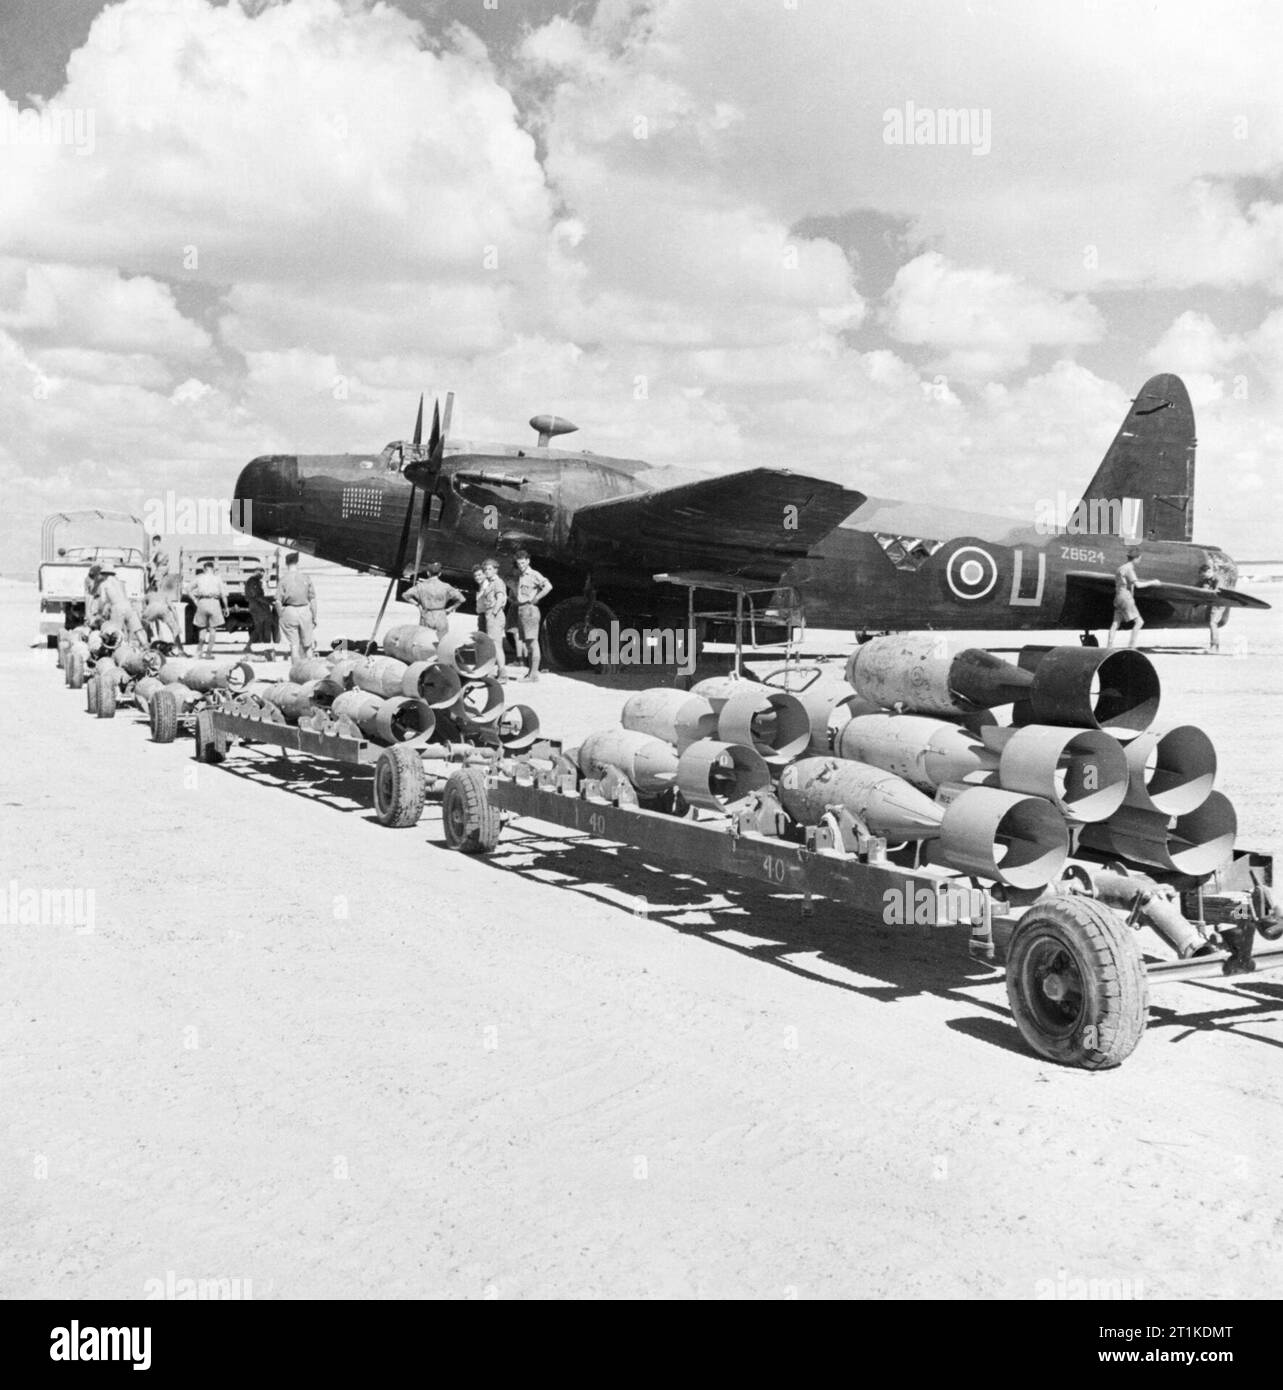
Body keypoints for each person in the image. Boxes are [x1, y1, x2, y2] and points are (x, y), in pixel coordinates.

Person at [1107, 547, 1158, 649]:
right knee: (1139, 622)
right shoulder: (1129, 569)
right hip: (1126, 598)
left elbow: (1126, 584)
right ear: (1136, 558)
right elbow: (1138, 585)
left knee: (1115, 623)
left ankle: (1109, 646)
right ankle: (1131, 646)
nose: (1140, 560)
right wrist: (1153, 582)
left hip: (1118, 597)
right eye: (1139, 558)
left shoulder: (1120, 568)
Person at [513, 549, 552, 681]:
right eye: (519, 563)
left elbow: (548, 586)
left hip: (530, 610)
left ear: (528, 561)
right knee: (528, 643)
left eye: (523, 563)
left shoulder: (534, 574)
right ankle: (530, 673)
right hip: (522, 610)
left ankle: (534, 674)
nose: (521, 566)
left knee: (532, 642)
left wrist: (536, 598)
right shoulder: (521, 575)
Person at [405, 561, 465, 639]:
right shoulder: (446, 586)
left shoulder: (421, 586)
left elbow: (406, 595)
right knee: (442, 643)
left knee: (424, 641)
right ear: (440, 574)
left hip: (426, 615)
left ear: (428, 573)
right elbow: (461, 599)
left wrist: (418, 605)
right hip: (440, 616)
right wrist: (450, 609)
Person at [276, 551, 317, 661]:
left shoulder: (283, 580)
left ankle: (296, 672)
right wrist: (314, 616)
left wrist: (281, 616)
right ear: (297, 563)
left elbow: (278, 602)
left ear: (286, 564)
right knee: (308, 645)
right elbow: (312, 600)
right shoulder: (306, 578)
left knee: (294, 645)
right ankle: (310, 672)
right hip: (305, 611)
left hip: (289, 611)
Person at [478, 558, 509, 680]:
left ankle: (502, 673)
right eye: (485, 569)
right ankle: (491, 671)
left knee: (496, 645)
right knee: (493, 644)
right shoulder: (490, 583)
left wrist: (494, 612)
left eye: (490, 569)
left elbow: (500, 598)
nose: (487, 571)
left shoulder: (497, 582)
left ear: (496, 570)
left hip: (494, 615)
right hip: (490, 615)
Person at [95, 567, 145, 642]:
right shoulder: (120, 582)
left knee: (116, 632)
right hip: (128, 606)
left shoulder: (104, 584)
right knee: (137, 630)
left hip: (117, 607)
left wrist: (99, 613)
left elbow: (103, 600)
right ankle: (146, 647)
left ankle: (120, 649)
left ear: (104, 575)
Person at [191, 561, 228, 657]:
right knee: (213, 629)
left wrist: (195, 600)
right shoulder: (217, 579)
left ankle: (198, 652)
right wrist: (226, 607)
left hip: (202, 602)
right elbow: (223, 595)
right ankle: (208, 653)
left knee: (202, 629)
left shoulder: (199, 578)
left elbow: (188, 589)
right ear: (213, 569)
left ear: (204, 569)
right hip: (214, 603)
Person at [243, 564, 277, 656]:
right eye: (260, 572)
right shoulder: (253, 581)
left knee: (261, 627)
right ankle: (251, 646)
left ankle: (256, 646)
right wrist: (269, 602)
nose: (261, 575)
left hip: (257, 606)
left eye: (262, 573)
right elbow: (257, 596)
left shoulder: (254, 581)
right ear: (256, 572)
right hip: (257, 606)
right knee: (261, 627)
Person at [1199, 560, 1227, 653]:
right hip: (1213, 603)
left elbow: (1217, 591)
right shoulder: (1207, 580)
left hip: (1219, 603)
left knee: (1212, 623)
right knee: (1211, 623)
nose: (1203, 577)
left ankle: (1214, 646)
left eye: (1203, 575)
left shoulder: (1218, 579)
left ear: (1209, 572)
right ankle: (1214, 647)